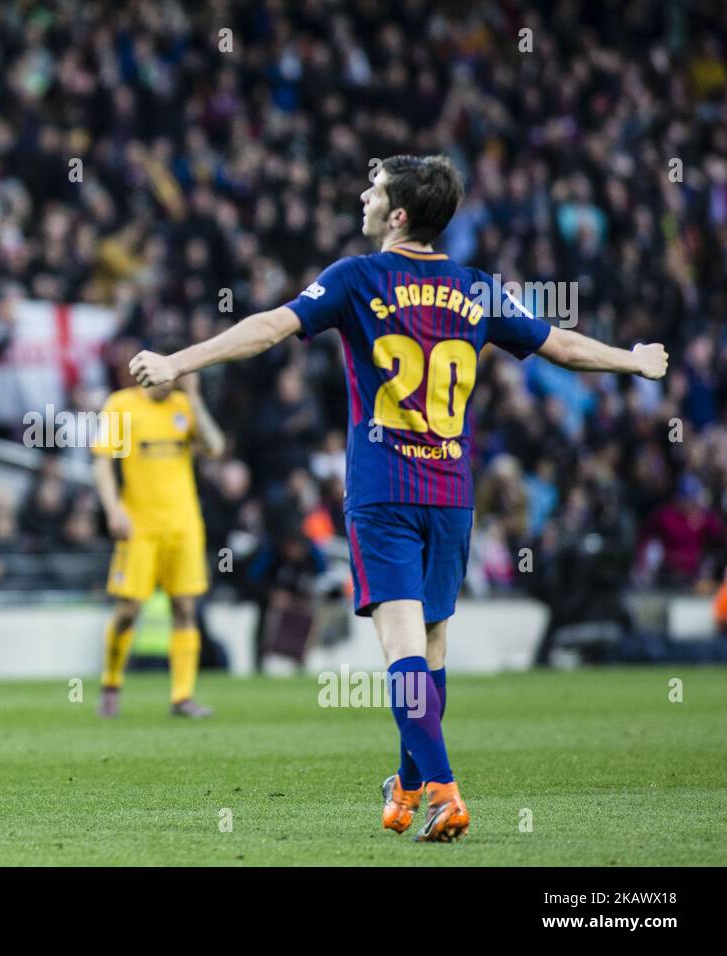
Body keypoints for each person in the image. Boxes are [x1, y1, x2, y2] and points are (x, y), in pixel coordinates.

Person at [129, 155, 669, 842]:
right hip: (451, 493)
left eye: (375, 190)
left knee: (401, 650)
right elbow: (559, 345)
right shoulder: (476, 288)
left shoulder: (358, 278)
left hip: (384, 491)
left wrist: (178, 361)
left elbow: (268, 327)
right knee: (432, 647)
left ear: (400, 215)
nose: (363, 195)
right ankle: (410, 786)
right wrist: (633, 360)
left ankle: (443, 788)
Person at [91, 370, 224, 718]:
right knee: (128, 611)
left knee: (185, 609)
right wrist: (113, 508)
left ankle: (182, 697)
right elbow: (103, 462)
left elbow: (215, 447)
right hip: (139, 526)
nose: (168, 382)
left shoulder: (183, 406)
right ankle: (111, 682)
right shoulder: (122, 405)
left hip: (184, 525)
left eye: (175, 374)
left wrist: (195, 398)